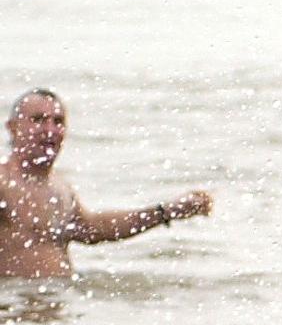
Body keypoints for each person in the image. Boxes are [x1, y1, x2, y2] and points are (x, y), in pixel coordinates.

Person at [0, 89, 212, 281]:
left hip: (55, 309)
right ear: (13, 127)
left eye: (58, 121)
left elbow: (92, 229)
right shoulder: (3, 181)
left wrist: (165, 212)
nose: (50, 129)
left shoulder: (60, 187)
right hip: (16, 309)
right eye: (38, 120)